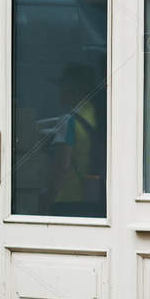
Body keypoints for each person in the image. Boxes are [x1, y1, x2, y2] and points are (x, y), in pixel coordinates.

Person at [49, 62, 104, 218]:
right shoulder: (98, 115)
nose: (59, 92)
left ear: (73, 90)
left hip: (68, 197)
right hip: (95, 196)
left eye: (62, 87)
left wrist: (49, 198)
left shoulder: (68, 121)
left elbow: (62, 165)